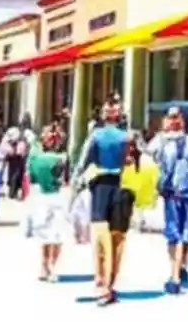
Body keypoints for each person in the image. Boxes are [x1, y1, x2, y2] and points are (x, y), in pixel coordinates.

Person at [80, 102, 132, 306]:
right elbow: (144, 162)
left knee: (103, 237)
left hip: (103, 187)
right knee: (116, 238)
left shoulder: (96, 136)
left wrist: (75, 184)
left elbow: (83, 161)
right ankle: (108, 284)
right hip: (121, 186)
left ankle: (103, 284)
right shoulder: (128, 137)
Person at [151, 108, 188, 294]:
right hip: (172, 192)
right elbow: (149, 160)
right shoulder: (160, 142)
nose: (174, 121)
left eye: (177, 117)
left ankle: (181, 265)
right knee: (174, 233)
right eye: (170, 117)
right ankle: (174, 276)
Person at [26, 127, 70, 282]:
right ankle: (51, 266)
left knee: (45, 234)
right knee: (56, 235)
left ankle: (45, 266)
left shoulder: (36, 158)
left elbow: (31, 177)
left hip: (41, 196)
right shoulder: (63, 158)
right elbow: (66, 179)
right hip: (58, 196)